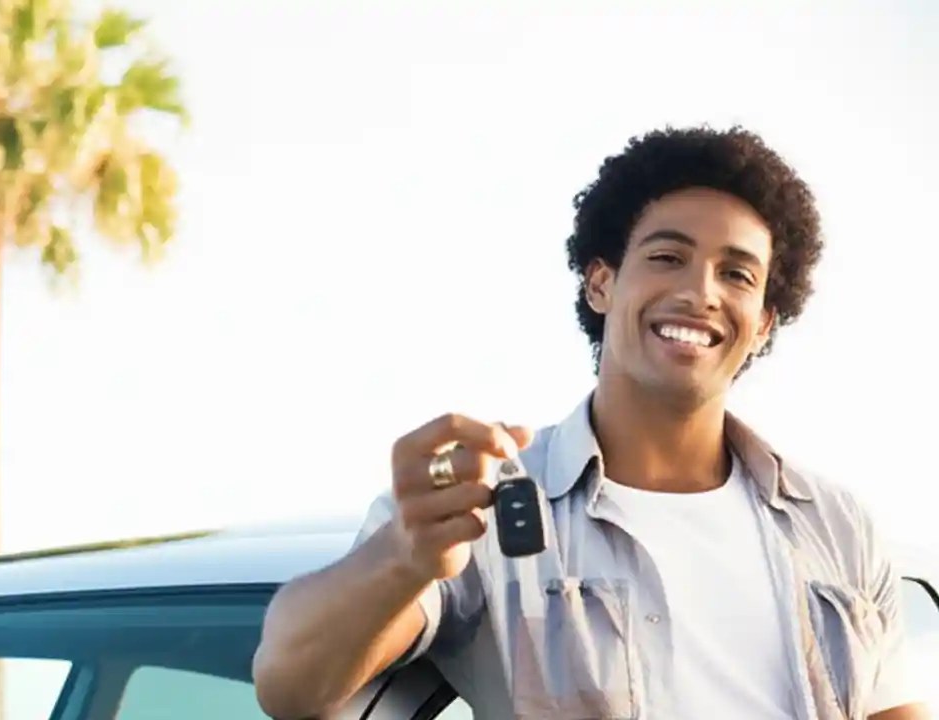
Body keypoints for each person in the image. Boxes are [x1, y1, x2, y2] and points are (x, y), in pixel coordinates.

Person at [252, 126, 930, 719]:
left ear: (763, 326)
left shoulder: (838, 529)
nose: (700, 292)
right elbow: (290, 685)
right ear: (600, 283)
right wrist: (401, 555)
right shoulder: (485, 505)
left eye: (737, 275)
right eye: (668, 257)